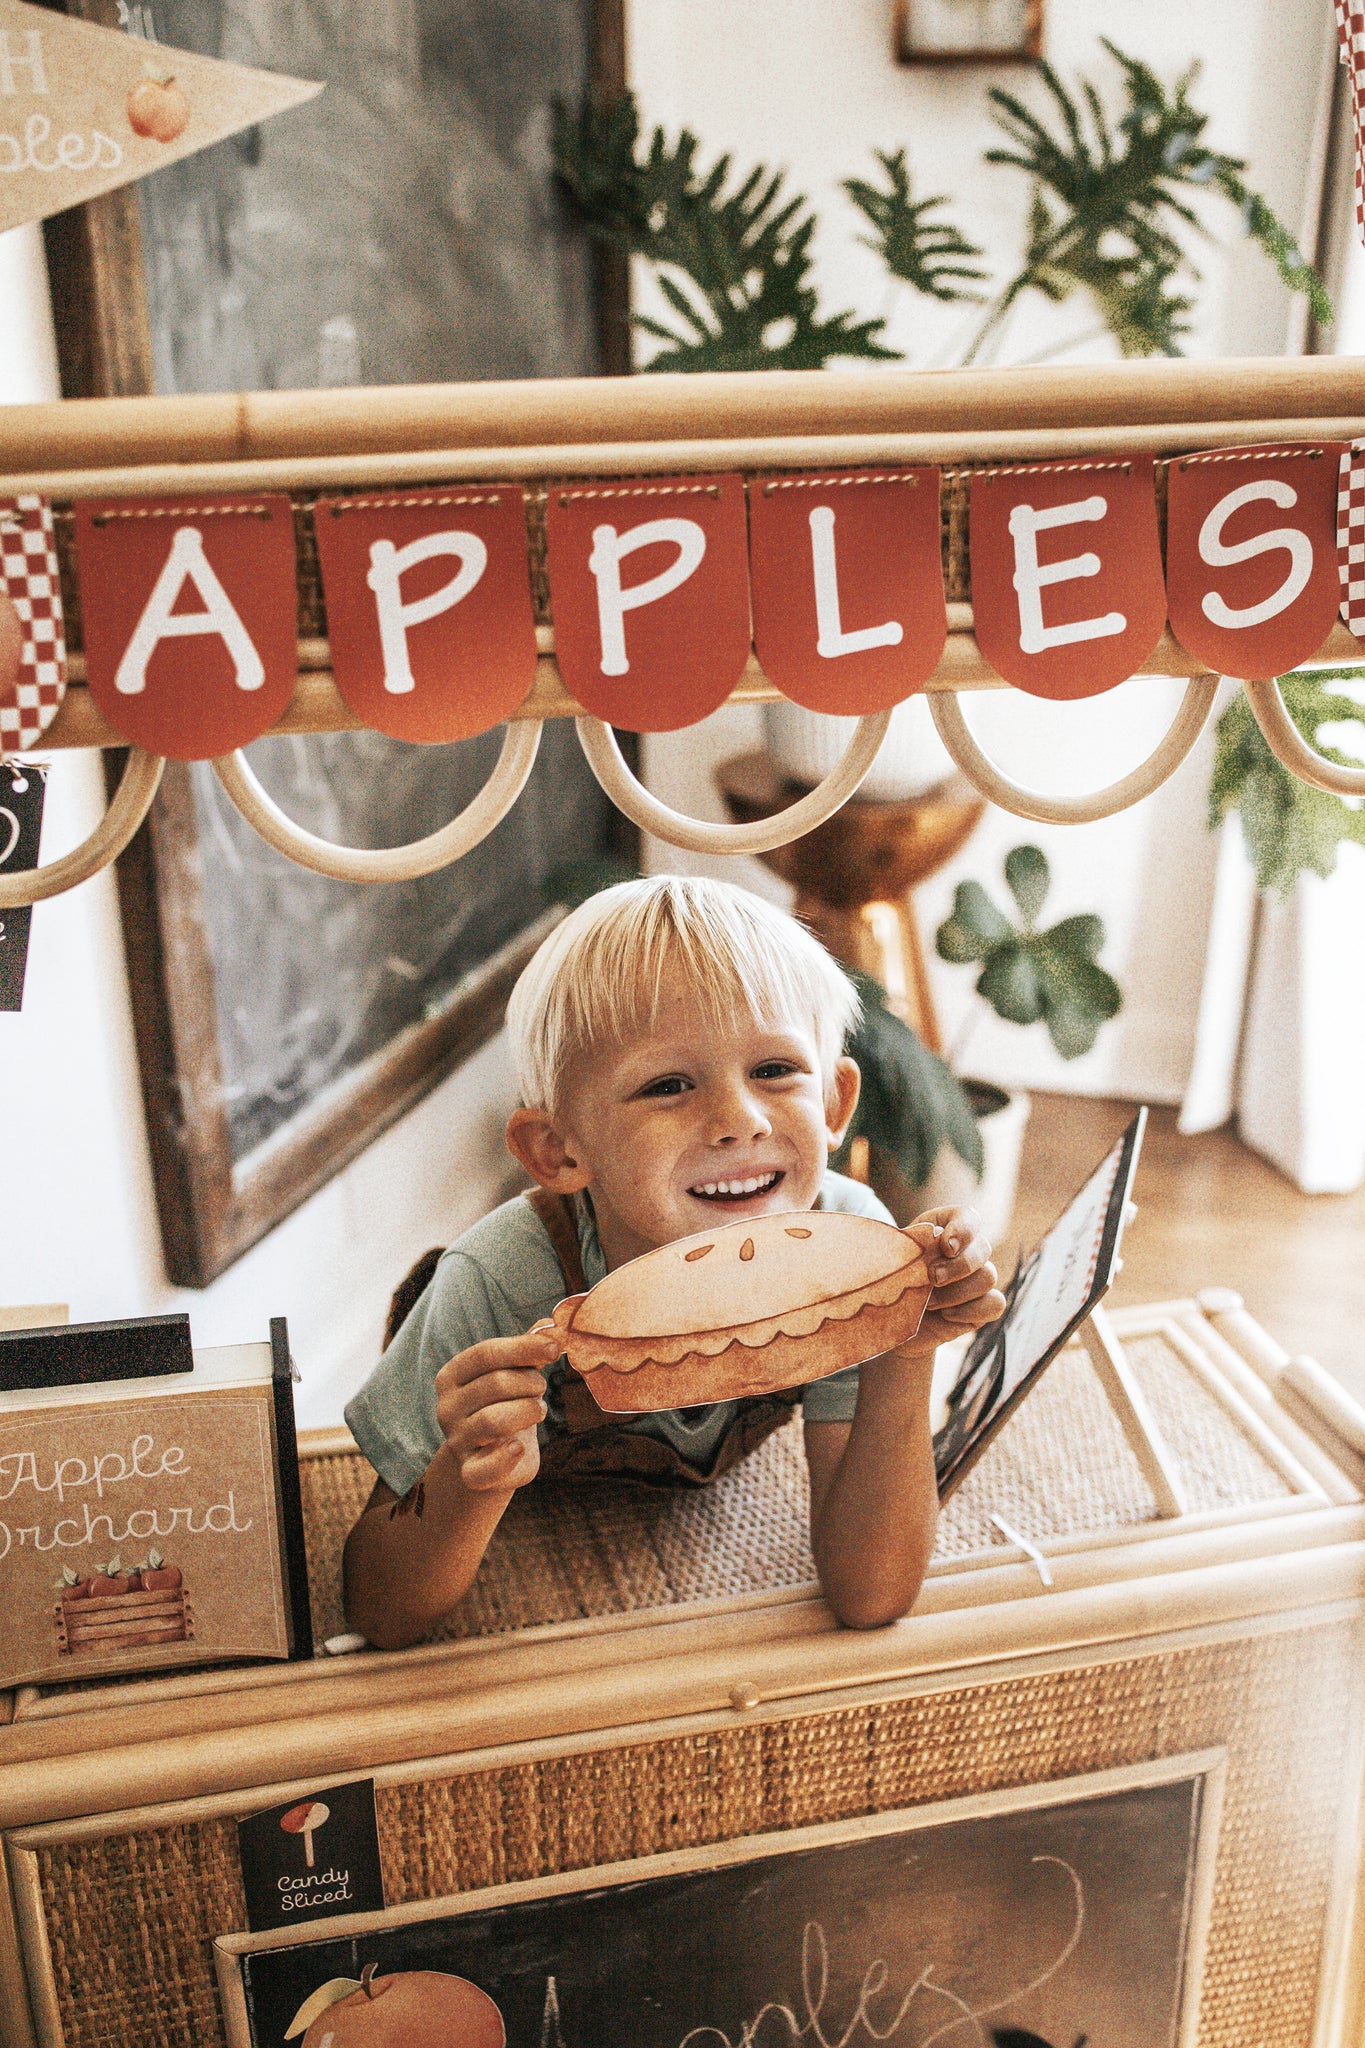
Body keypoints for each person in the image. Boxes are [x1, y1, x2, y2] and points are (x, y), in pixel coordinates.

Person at [342, 877, 1004, 1647]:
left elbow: (870, 1595)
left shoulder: (852, 1250)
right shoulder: (496, 1283)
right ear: (556, 1151)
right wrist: (469, 1478)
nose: (738, 1121)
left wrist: (904, 1353)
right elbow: (378, 1613)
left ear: (832, 1103)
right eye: (667, 1085)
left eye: (773, 1070)